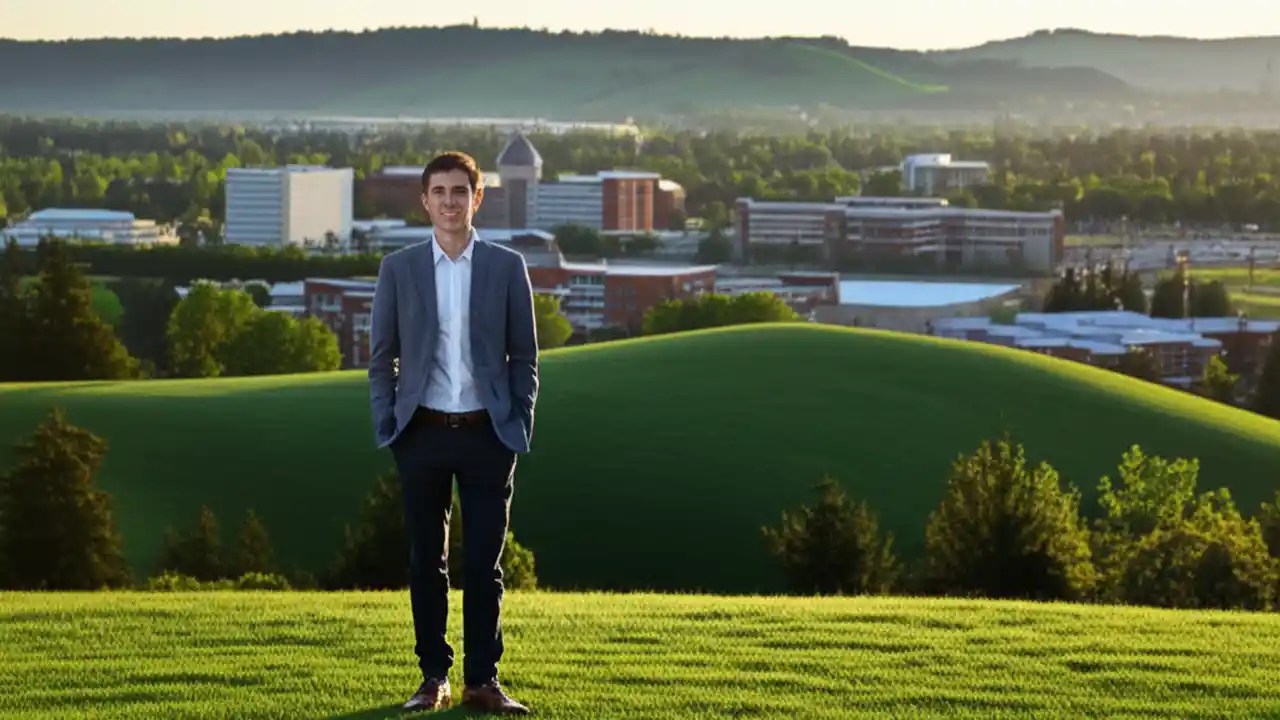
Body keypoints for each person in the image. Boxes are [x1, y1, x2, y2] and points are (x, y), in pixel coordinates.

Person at [368, 151, 538, 715]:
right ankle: (432, 679)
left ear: (477, 198)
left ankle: (482, 681)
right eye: (438, 191)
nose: (449, 201)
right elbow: (381, 358)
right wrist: (389, 424)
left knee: (484, 565)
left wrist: (518, 418)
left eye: (459, 191)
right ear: (424, 200)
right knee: (427, 563)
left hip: (489, 435)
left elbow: (525, 357)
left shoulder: (507, 266)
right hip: (421, 434)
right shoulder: (399, 269)